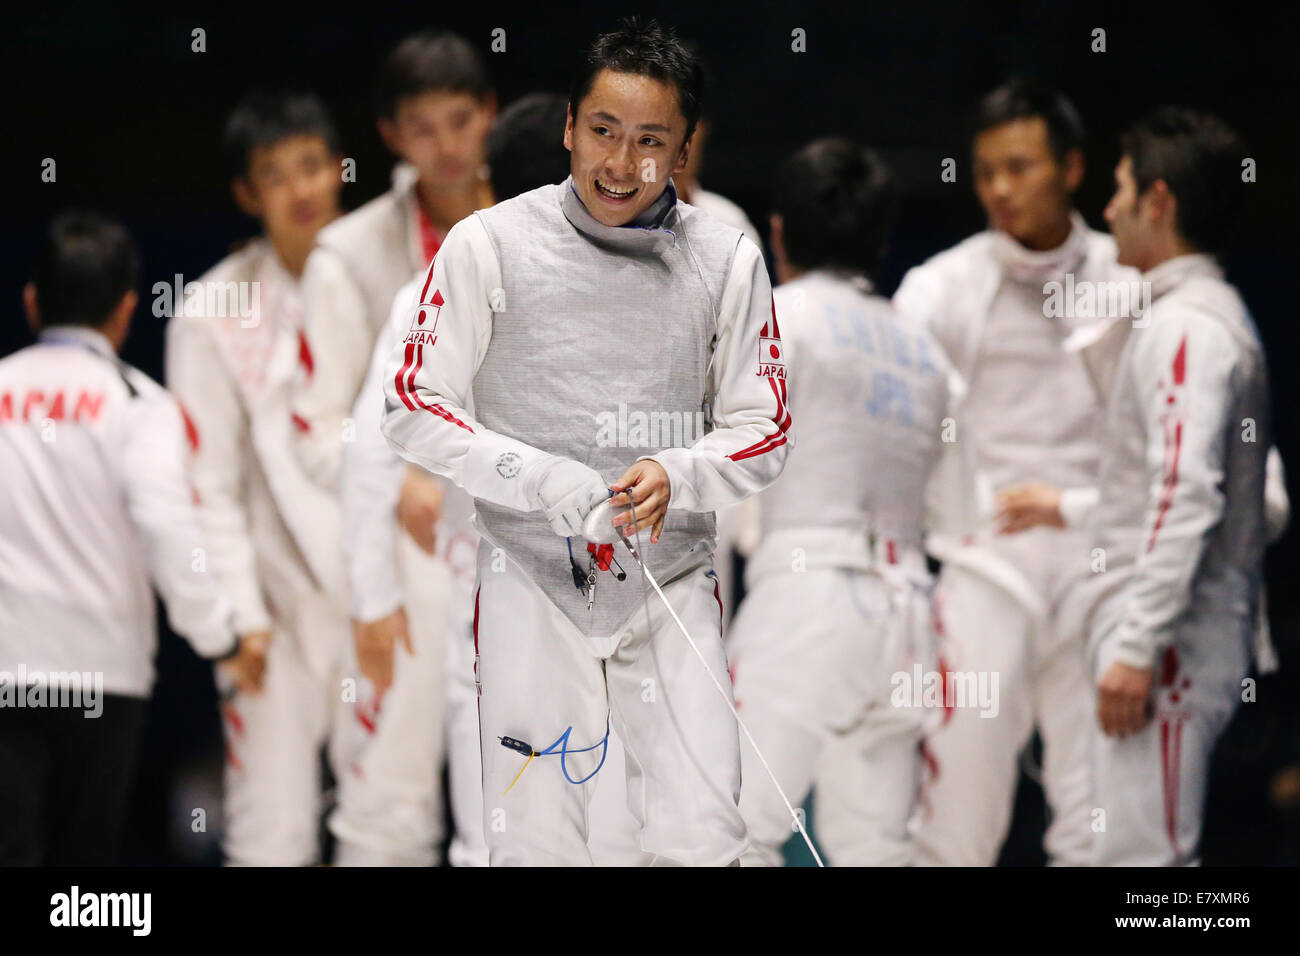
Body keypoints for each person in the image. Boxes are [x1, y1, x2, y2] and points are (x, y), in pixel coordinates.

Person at [380, 18, 791, 865]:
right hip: (530, 578)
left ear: (683, 151)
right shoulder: (487, 244)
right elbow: (411, 401)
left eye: (651, 142)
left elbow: (766, 426)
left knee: (703, 834)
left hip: (670, 584)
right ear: (569, 125)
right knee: (534, 844)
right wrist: (533, 477)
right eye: (602, 131)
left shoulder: (727, 258)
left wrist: (681, 472)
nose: (620, 162)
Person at [167, 93, 424, 865]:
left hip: (383, 596)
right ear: (248, 194)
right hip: (275, 617)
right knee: (268, 836)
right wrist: (237, 613)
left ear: (339, 170)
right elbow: (204, 481)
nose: (301, 189)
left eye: (312, 165)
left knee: (392, 825)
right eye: (276, 176)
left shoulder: (393, 279)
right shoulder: (212, 309)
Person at [893, 80, 1133, 866]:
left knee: (1100, 822)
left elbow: (1173, 449)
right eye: (985, 170)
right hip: (982, 570)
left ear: (1071, 168)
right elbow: (891, 432)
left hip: (1099, 573)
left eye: (1020, 168)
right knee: (955, 816)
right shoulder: (941, 288)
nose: (998, 189)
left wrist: (1077, 507)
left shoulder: (1128, 285)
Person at [342, 91, 572, 868]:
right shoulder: (657, 284)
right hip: (607, 600)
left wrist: (374, 603)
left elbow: (367, 450)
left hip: (495, 601)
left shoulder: (436, 285)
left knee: (497, 844)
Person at [293, 32, 498, 863]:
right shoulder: (350, 255)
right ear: (389, 135)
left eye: (461, 120)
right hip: (410, 549)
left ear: (490, 114)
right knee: (388, 800)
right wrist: (406, 469)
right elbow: (325, 428)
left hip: (529, 540)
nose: (447, 146)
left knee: (534, 800)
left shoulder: (544, 218)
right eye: (424, 127)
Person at [0, 212, 260, 865]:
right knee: (78, 881)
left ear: (33, 302)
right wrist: (220, 637)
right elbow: (170, 529)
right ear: (126, 310)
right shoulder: (138, 404)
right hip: (101, 681)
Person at [728, 139, 949, 865]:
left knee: (729, 831)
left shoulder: (779, 320)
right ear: (879, 238)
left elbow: (723, 465)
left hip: (808, 602)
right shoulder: (923, 353)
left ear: (780, 230)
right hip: (908, 617)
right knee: (874, 851)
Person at [1076, 109, 1271, 865]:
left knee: (1145, 871)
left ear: (1158, 201)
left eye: (1120, 189)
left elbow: (1187, 493)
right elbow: (1265, 496)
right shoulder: (1200, 318)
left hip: (1169, 647)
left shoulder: (1188, 326)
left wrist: (1137, 642)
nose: (1108, 209)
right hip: (1175, 637)